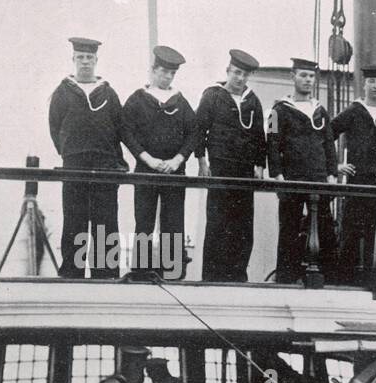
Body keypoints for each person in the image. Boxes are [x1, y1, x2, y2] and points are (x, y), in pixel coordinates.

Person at [49, 37, 126, 279]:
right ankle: (72, 270)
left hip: (104, 162)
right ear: (73, 60)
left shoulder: (109, 93)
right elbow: (54, 127)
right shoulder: (62, 92)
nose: (85, 62)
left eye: (89, 58)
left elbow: (119, 127)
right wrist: (70, 151)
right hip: (74, 162)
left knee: (106, 218)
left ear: (96, 60)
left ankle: (106, 272)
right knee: (75, 216)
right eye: (80, 57)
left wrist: (112, 158)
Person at [121, 45, 198, 280]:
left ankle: (173, 271)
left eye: (171, 73)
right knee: (143, 219)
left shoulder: (181, 102)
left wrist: (177, 160)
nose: (167, 77)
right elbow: (125, 132)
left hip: (175, 172)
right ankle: (142, 271)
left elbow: (193, 133)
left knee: (173, 221)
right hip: (146, 170)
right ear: (153, 70)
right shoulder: (137, 100)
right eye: (163, 71)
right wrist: (147, 159)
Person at [194, 49, 267, 282]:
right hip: (220, 169)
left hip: (244, 171)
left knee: (243, 225)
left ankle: (237, 276)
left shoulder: (253, 101)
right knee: (217, 222)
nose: (240, 78)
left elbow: (259, 135)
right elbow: (199, 130)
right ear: (228, 71)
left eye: (245, 75)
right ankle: (212, 277)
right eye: (236, 73)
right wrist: (202, 160)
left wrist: (260, 165)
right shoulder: (212, 95)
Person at [266, 57, 338, 284]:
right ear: (293, 76)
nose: (308, 80)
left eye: (311, 76)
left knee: (325, 227)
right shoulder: (277, 111)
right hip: (292, 179)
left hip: (318, 179)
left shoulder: (321, 112)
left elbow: (329, 143)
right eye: (303, 75)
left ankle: (328, 279)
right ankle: (286, 278)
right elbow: (272, 142)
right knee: (289, 228)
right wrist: (277, 176)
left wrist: (332, 174)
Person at [333, 63, 376, 286]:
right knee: (350, 231)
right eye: (372, 82)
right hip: (356, 183)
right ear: (365, 84)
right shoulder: (354, 112)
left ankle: (374, 281)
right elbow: (327, 134)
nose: (375, 86)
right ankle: (345, 280)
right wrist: (335, 166)